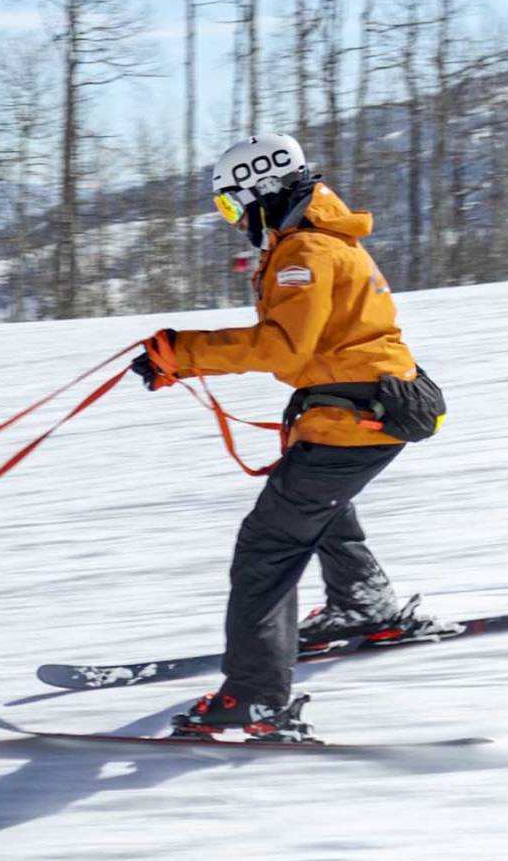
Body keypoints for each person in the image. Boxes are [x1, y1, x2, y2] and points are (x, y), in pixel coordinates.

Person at [129, 133, 447, 738]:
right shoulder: (318, 240)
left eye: (231, 203)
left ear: (264, 189)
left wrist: (182, 352)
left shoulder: (306, 251)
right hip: (360, 413)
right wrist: (181, 361)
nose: (232, 218)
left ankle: (254, 697)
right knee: (314, 503)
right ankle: (362, 602)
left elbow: (283, 347)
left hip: (354, 420)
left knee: (267, 547)